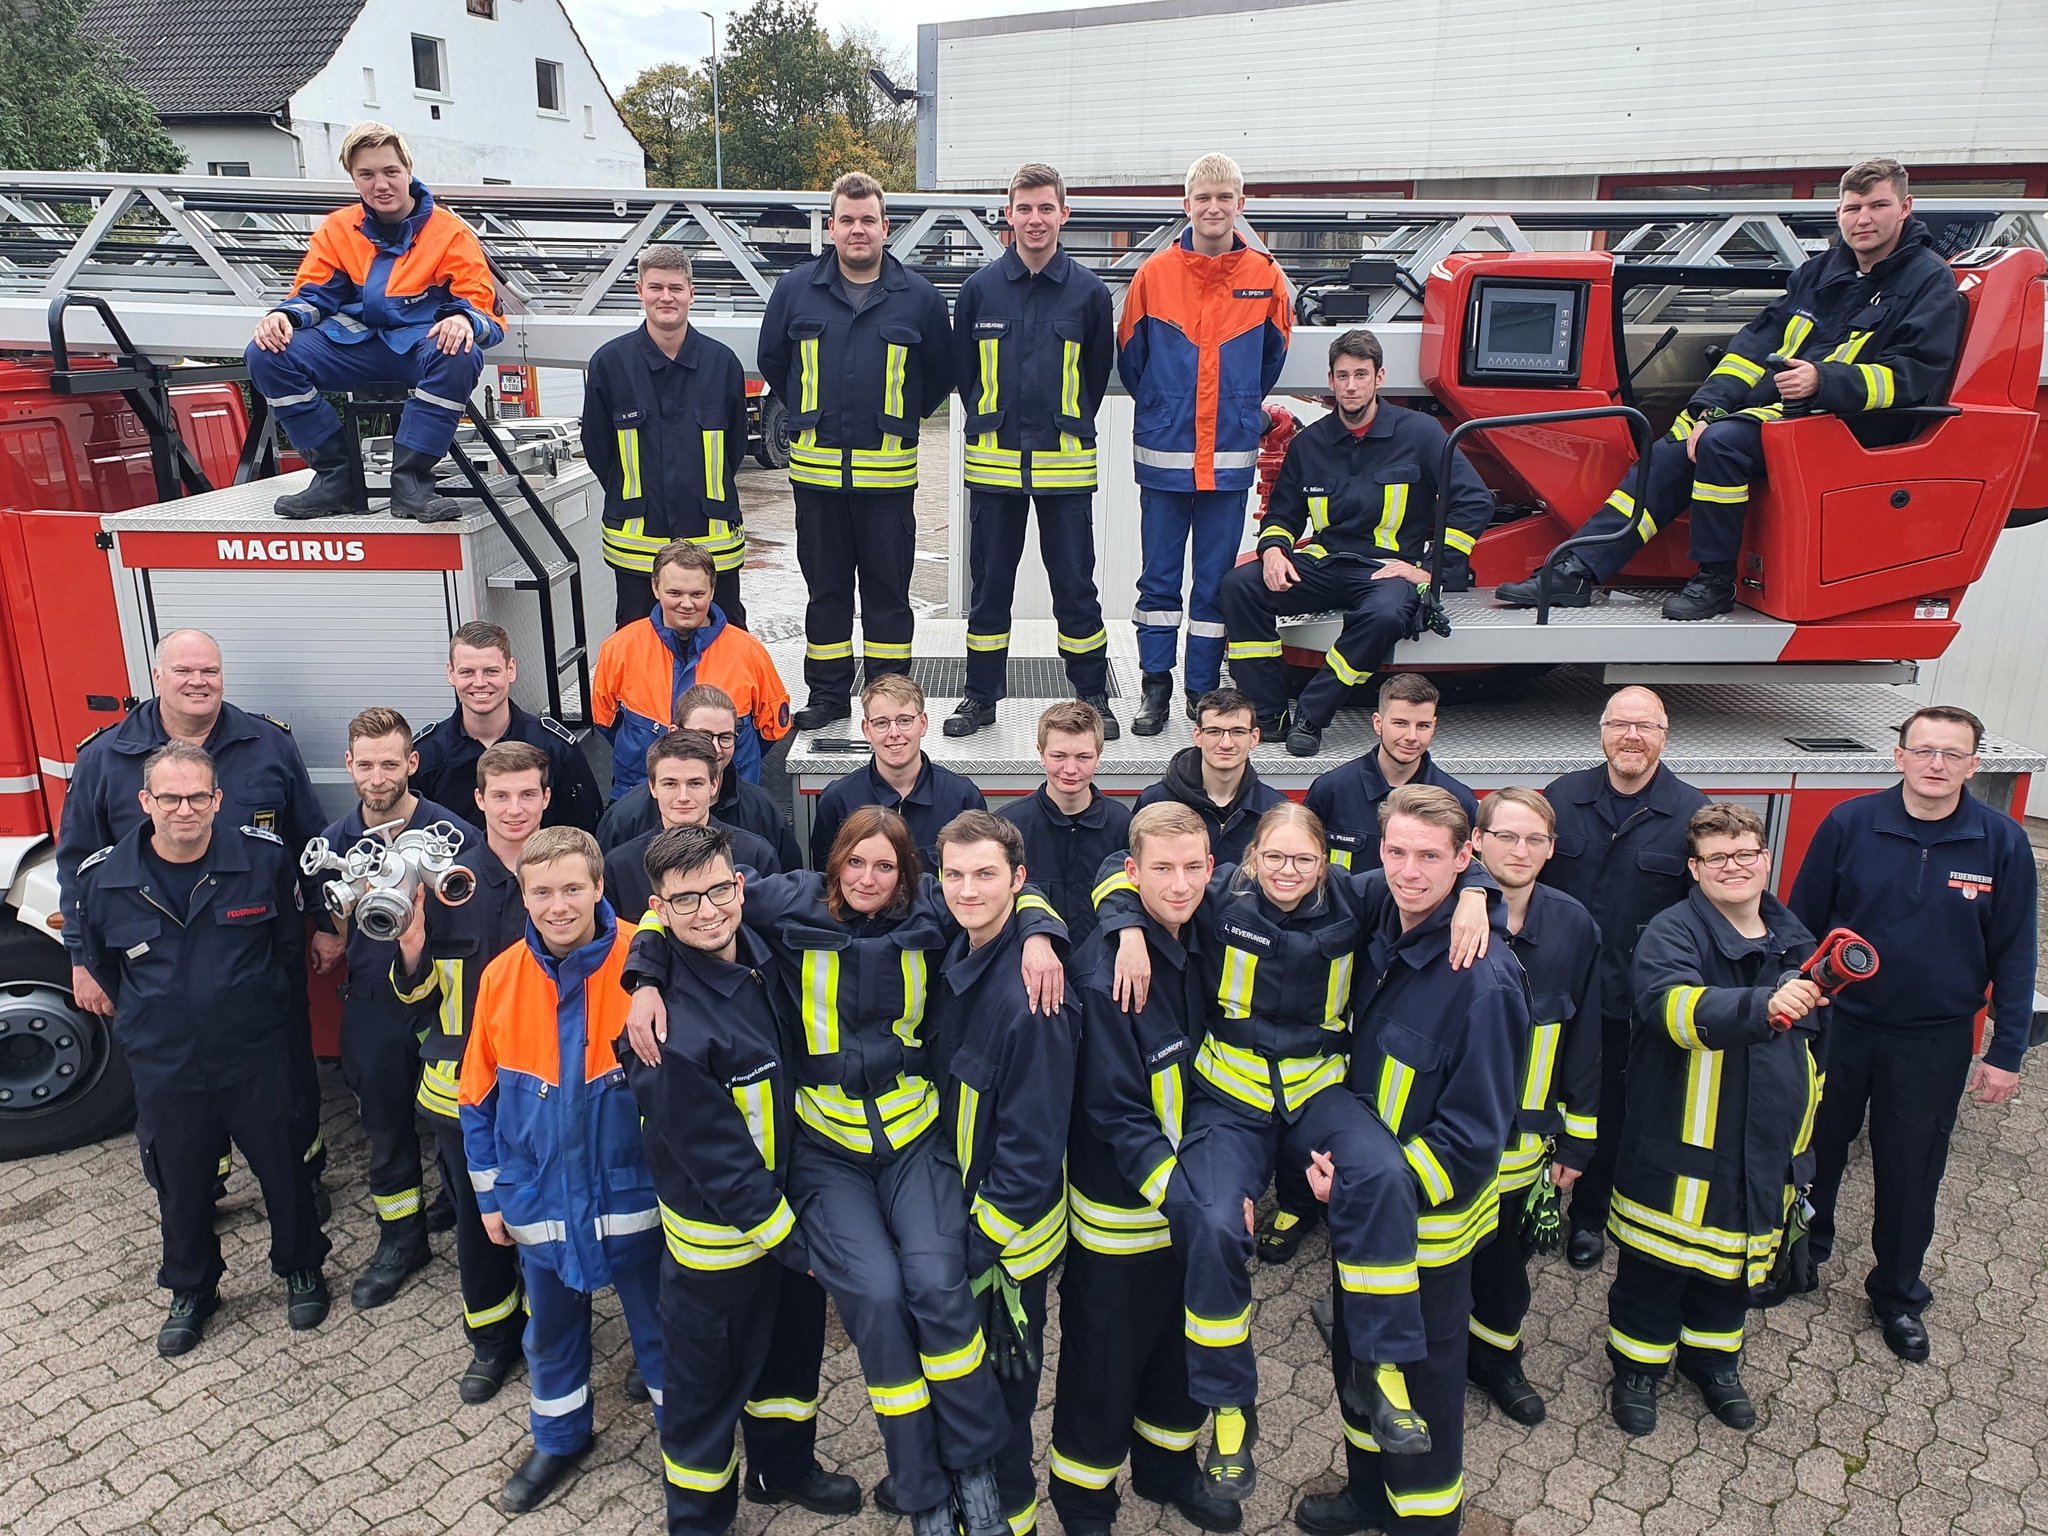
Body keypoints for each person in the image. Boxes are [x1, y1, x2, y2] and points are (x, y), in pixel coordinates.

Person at [620, 804, 1068, 1536]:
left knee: (940, 1284)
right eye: (854, 862)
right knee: (878, 1298)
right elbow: (686, 905)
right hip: (827, 1150)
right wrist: (642, 975)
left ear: (907, 872)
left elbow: (1003, 885)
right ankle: (921, 1486)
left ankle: (976, 1464)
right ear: (830, 867)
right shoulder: (784, 898)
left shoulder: (933, 901)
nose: (868, 877)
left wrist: (1043, 931)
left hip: (916, 1138)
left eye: (885, 864)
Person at [1094, 802, 1495, 1501]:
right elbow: (1119, 871)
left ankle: (1384, 1369)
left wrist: (1477, 894)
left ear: (1327, 862)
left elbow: (1432, 865)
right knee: (1211, 1218)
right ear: (1248, 860)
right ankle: (1227, 1406)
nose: (1288, 871)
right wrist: (1126, 926)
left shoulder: (1358, 891)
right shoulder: (1216, 893)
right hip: (1230, 1098)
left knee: (1380, 1170)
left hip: (1320, 1091)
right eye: (1274, 858)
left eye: (1303, 859)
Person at [1498, 158, 1964, 621]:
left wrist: (1825, 382)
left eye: (1877, 206)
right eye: (1851, 208)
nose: (1863, 219)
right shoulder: (1819, 272)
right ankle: (1579, 568)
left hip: (1852, 424)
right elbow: (1751, 347)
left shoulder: (1928, 280)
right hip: (1783, 416)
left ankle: (1715, 580)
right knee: (1672, 450)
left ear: (1905, 208)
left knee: (1722, 445)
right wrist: (1707, 407)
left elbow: (1916, 375)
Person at [1297, 785, 1528, 1536]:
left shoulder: (1483, 980)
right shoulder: (1379, 922)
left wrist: (1374, 1189)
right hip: (1360, 1217)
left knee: (1421, 1394)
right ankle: (1369, 1499)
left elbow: (1474, 1136)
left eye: (1431, 857)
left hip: (1424, 1237)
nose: (1409, 871)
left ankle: (1423, 1523)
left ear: (1466, 859)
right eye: (1395, 852)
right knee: (1360, 1370)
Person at [619, 825, 862, 1533]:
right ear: (660, 910)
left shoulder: (763, 945)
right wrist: (802, 1246)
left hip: (786, 1222)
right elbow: (719, 1159)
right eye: (684, 900)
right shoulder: (662, 1033)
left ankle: (781, 1471)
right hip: (719, 1253)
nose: (708, 910)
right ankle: (699, 1517)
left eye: (718, 891)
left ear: (740, 887)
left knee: (790, 1367)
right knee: (705, 1396)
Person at [1789, 704, 2038, 1363]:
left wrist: (2005, 1051)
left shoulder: (2000, 842)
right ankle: (1804, 1253)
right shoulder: (1851, 824)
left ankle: (1896, 1294)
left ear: (1974, 765)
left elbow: (2016, 954)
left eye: (1952, 755)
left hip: (1934, 1040)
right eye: (1924, 750)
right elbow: (1800, 921)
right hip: (1841, 1025)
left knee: (1911, 1171)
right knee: (1818, 1150)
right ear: (1897, 755)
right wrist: (1793, 1006)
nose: (1936, 765)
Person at [56, 628, 333, 1202]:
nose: (198, 682)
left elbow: (311, 843)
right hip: (158, 959)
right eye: (184, 671)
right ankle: (197, 1186)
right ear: (157, 678)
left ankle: (298, 1179)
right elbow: (77, 866)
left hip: (255, 950)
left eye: (208, 670)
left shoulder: (268, 743)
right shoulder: (107, 757)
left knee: (284, 1072)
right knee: (176, 1091)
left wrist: (329, 925)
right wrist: (82, 958)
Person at [73, 742, 331, 1355]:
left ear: (217, 800)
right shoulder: (104, 879)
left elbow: (287, 950)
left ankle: (301, 1266)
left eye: (196, 796)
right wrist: (153, 1020)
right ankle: (192, 1286)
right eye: (170, 797)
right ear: (146, 802)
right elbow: (106, 967)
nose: (183, 809)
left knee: (284, 1166)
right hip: (166, 1061)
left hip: (255, 1052)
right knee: (180, 1180)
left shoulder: (265, 861)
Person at [1048, 803, 1241, 1536]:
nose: (1182, 883)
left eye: (1194, 867)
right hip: (1126, 1216)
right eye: (1162, 869)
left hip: (1192, 1205)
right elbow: (1115, 1113)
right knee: (1102, 1371)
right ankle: (1084, 1505)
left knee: (1178, 1354)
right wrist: (1188, 1202)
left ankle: (1167, 1473)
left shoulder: (1210, 935)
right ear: (1132, 874)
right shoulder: (1105, 974)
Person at [459, 826, 663, 1514]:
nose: (558, 905)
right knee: (548, 1334)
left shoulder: (649, 960)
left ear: (600, 886)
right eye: (542, 891)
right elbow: (476, 1098)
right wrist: (491, 1198)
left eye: (573, 887)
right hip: (539, 1198)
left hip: (639, 1201)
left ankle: (685, 1445)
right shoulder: (500, 977)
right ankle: (560, 1437)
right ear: (522, 894)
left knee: (662, 1334)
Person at [1605, 804, 1822, 1438]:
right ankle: (1638, 1368)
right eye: (1717, 858)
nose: (1734, 867)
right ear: (1696, 869)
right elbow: (1668, 1007)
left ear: (1765, 859)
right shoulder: (1673, 932)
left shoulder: (1794, 937)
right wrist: (1764, 1004)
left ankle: (1714, 1362)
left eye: (1745, 854)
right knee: (1655, 1269)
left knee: (1734, 1267)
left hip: (1765, 1147)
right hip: (1682, 1147)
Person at [1220, 330, 1493, 755]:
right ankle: (1269, 715)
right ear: (1330, 381)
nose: (1351, 386)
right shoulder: (1309, 444)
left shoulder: (1421, 433)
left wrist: (1431, 568)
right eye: (1342, 375)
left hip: (1389, 570)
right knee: (1239, 586)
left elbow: (1473, 500)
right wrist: (1274, 550)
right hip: (1325, 563)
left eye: (1361, 375)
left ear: (1379, 378)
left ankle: (1312, 716)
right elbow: (1284, 513)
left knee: (1384, 617)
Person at [928, 812, 1082, 1536]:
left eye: (986, 874)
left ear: (1018, 882)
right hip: (958, 1225)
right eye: (954, 874)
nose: (968, 889)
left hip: (1003, 1249)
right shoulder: (958, 950)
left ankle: (1010, 1517)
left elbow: (1032, 1142)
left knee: (1006, 1402)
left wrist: (981, 1244)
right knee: (962, 1390)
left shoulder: (1033, 997)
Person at [758, 171, 954, 730]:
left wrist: (898, 420)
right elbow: (776, 362)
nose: (857, 230)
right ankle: (827, 696)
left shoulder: (917, 297)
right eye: (847, 220)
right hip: (816, 481)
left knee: (889, 595)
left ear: (885, 227)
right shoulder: (796, 289)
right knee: (826, 592)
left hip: (889, 483)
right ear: (830, 227)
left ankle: (888, 702)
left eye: (868, 220)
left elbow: (937, 374)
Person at [393, 741, 551, 1403]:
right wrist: (410, 950)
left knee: (544, 1220)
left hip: (547, 1087)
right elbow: (410, 996)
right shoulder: (446, 886)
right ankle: (491, 1342)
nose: (514, 809)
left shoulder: (568, 876)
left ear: (546, 798)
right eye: (501, 795)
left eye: (527, 794)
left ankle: (551, 1335)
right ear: (478, 800)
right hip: (467, 1095)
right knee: (477, 1226)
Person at [246, 121, 501, 523]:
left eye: (390, 172)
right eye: (366, 174)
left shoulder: (449, 233)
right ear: (353, 179)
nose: (380, 184)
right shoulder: (337, 228)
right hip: (354, 346)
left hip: (420, 346)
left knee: (459, 351)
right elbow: (313, 293)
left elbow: (478, 301)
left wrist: (464, 320)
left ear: (408, 171)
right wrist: (281, 315)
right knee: (266, 352)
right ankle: (335, 478)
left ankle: (411, 483)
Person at [1118, 152, 1291, 735]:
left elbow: (1272, 360)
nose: (1213, 207)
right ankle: (1155, 686)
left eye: (1225, 197)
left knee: (1214, 581)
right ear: (1185, 204)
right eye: (1203, 197)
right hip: (1165, 454)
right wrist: (1171, 408)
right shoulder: (1152, 276)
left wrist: (1238, 409)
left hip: (1229, 457)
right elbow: (1132, 362)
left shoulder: (1266, 277)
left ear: (1241, 205)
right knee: (1159, 581)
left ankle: (1199, 687)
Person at [945, 162, 1118, 741]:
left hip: (1066, 467)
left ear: (1063, 214)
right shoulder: (979, 290)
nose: (1035, 219)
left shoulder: (1090, 292)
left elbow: (1095, 375)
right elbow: (964, 375)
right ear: (1009, 217)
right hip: (994, 469)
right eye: (1025, 208)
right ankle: (980, 697)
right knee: (990, 588)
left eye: (1046, 208)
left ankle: (1091, 694)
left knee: (1075, 586)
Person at [1540, 686, 1706, 1269]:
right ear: (1602, 731)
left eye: (1646, 726)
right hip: (1550, 989)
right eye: (1621, 724)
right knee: (1531, 1095)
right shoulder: (1562, 797)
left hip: (1625, 1001)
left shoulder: (1692, 813)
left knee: (1607, 1110)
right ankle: (1523, 1204)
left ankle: (1588, 1216)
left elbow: (1702, 915)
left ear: (1665, 735)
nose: (1632, 737)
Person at [320, 707, 476, 1312]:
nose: (378, 776)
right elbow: (336, 924)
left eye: (391, 762)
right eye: (367, 764)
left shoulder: (451, 834)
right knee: (384, 1127)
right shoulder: (337, 842)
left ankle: (471, 1229)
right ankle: (400, 1239)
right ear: (349, 766)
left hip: (443, 999)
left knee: (459, 1126)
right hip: (374, 1001)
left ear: (412, 763)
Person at [1464, 788, 1601, 1426]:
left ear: (1551, 850)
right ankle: (1426, 1359)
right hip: (1449, 1138)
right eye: (1506, 837)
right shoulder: (1442, 912)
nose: (1519, 852)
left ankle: (1496, 1359)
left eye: (1535, 840)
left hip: (1525, 1141)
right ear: (1477, 842)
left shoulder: (1573, 925)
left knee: (1506, 1265)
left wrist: (1575, 1143)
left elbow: (1585, 1039)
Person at [582, 248, 751, 630]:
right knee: (639, 650)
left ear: (692, 292)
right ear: (639, 290)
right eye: (656, 287)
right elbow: (597, 447)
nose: (666, 296)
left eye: (676, 287)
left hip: (712, 543)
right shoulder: (610, 364)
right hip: (637, 548)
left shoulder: (722, 364)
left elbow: (734, 449)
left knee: (724, 645)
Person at [590, 541, 791, 801]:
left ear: (712, 590)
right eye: (675, 593)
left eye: (697, 594)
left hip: (726, 800)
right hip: (640, 795)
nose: (686, 604)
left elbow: (772, 728)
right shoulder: (619, 648)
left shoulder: (748, 651)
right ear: (655, 588)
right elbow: (605, 721)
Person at [413, 621, 604, 834]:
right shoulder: (427, 755)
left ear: (510, 670)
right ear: (451, 674)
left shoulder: (554, 748)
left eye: (491, 671)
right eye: (467, 672)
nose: (479, 682)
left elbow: (585, 832)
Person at [595, 682, 803, 871]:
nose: (714, 748)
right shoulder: (625, 818)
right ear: (674, 732)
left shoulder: (761, 810)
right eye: (702, 736)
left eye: (725, 737)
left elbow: (789, 885)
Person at [602, 729, 782, 925]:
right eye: (670, 784)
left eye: (695, 783)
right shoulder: (619, 867)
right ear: (652, 787)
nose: (683, 797)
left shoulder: (757, 855)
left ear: (714, 785)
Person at [810, 675, 985, 874]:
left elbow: (977, 877)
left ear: (923, 723)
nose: (894, 733)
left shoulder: (961, 798)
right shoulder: (838, 800)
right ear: (867, 730)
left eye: (904, 720)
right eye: (881, 723)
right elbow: (828, 881)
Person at [1306, 675, 1479, 875]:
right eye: (1400, 723)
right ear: (1378, 723)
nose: (1412, 737)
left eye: (1423, 726)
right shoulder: (1331, 790)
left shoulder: (1459, 801)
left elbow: (1474, 874)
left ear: (1434, 726)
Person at [998, 700, 1132, 945]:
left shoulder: (1124, 825)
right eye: (1059, 756)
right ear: (1040, 752)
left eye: (1083, 757)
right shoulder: (1008, 827)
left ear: (1099, 756)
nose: (1070, 769)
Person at [1134, 687, 1283, 868]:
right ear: (1198, 736)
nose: (1226, 744)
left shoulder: (1274, 810)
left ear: (1254, 737)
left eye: (1237, 732)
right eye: (1214, 731)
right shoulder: (1156, 802)